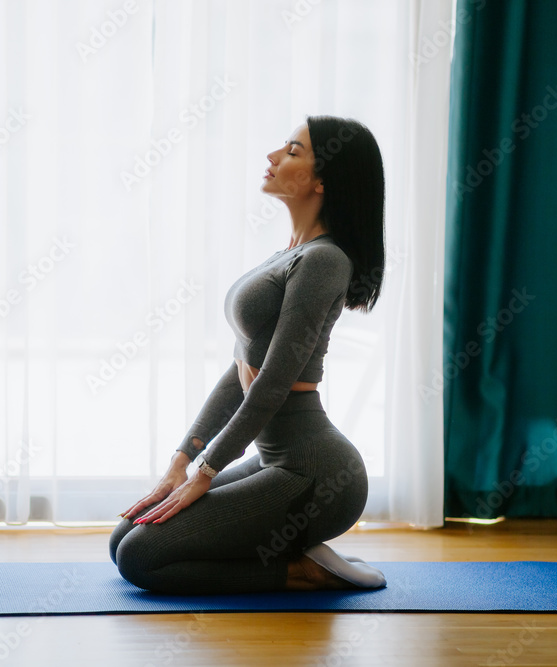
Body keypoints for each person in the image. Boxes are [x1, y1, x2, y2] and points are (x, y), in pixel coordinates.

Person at [109, 115, 387, 595]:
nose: (273, 156)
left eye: (293, 151)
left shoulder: (324, 260)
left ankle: (302, 570)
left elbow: (273, 384)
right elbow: (239, 371)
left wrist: (207, 471)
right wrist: (182, 461)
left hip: (317, 474)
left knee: (140, 559)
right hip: (276, 461)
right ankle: (281, 549)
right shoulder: (291, 253)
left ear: (323, 181)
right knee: (123, 539)